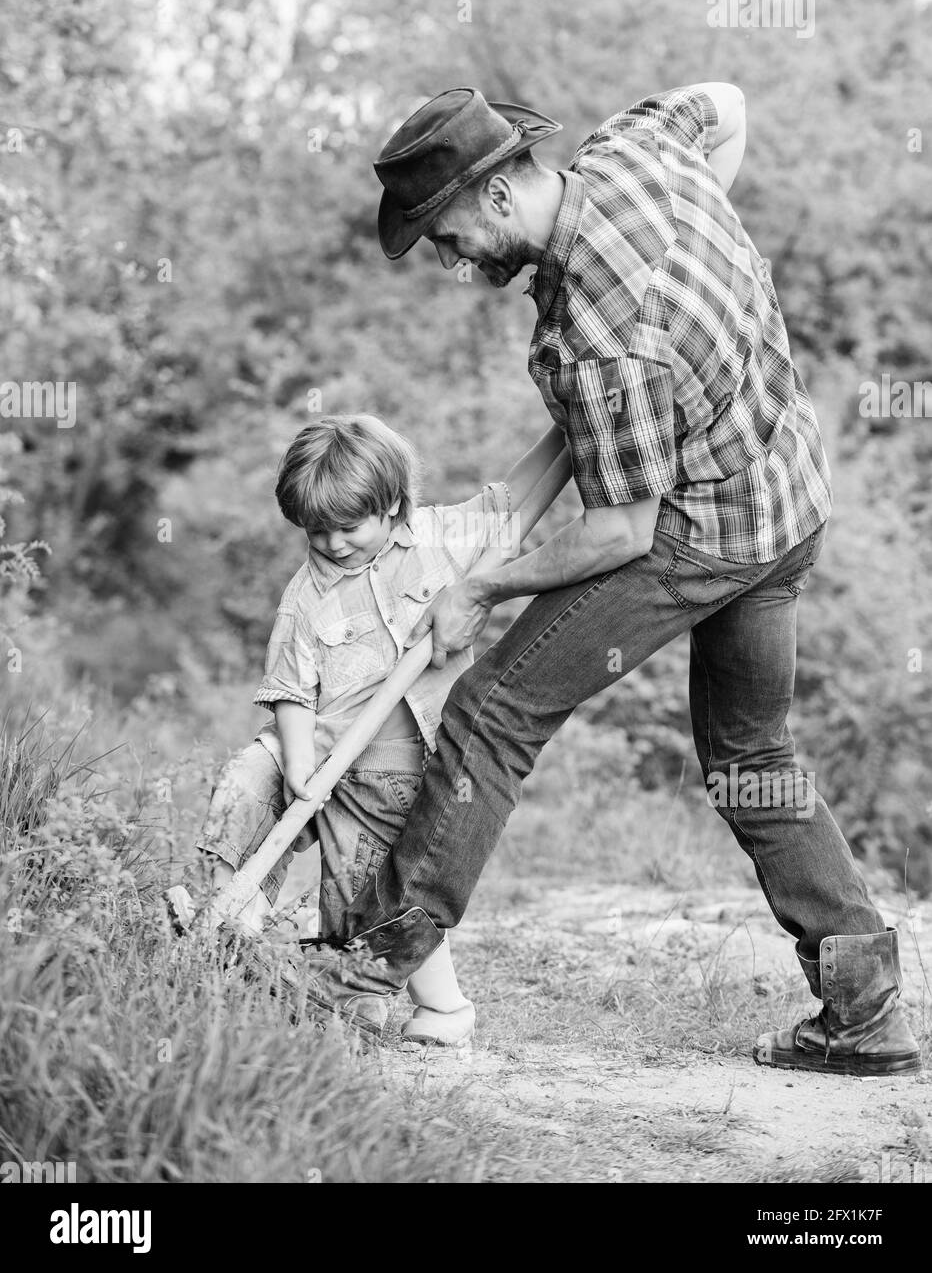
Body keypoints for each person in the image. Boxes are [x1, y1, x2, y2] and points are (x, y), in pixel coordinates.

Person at [301, 84, 920, 1077]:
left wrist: (484, 587)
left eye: (447, 232)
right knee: (750, 749)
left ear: (499, 191)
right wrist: (696, 254)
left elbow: (623, 527)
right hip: (787, 497)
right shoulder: (635, 154)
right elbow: (723, 101)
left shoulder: (601, 334)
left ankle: (368, 968)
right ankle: (862, 1010)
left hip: (698, 530)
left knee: (492, 709)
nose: (450, 259)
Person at [167, 411, 568, 1045]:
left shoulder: (445, 538)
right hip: (321, 743)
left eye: (347, 527)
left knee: (367, 889)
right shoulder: (305, 595)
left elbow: (513, 500)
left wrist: (568, 427)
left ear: (395, 507)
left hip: (398, 766)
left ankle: (436, 1007)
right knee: (245, 780)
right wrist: (299, 765)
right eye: (315, 531)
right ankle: (231, 908)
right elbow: (291, 689)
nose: (331, 544)